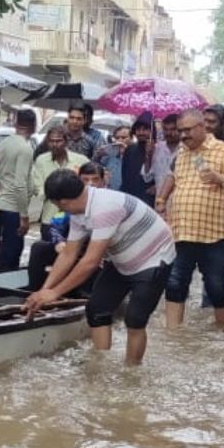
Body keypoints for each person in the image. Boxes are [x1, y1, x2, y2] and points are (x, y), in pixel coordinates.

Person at [24, 169, 176, 364]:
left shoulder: (105, 207)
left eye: (55, 205)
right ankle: (100, 364)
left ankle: (131, 371)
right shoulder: (80, 208)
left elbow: (90, 262)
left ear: (62, 202)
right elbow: (69, 254)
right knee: (96, 309)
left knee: (135, 319)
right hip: (121, 258)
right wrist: (44, 291)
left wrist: (55, 293)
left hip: (154, 258)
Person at [157, 108, 224, 328]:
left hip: (214, 234)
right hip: (182, 232)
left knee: (217, 287)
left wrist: (220, 178)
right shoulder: (182, 152)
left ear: (202, 127)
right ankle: (173, 334)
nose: (183, 135)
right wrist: (161, 201)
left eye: (187, 130)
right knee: (175, 283)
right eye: (180, 131)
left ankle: (222, 333)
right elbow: (173, 178)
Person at [26, 163, 103, 291]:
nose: (91, 184)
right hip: (74, 249)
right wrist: (59, 242)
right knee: (39, 248)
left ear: (103, 181)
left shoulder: (108, 203)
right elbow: (54, 225)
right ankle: (35, 290)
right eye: (86, 179)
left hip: (99, 254)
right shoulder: (72, 202)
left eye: (95, 179)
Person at [0, 108, 37, 270]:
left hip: (2, 203)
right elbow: (20, 184)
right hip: (13, 207)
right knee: (12, 252)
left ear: (15, 123)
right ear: (33, 125)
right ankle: (3, 288)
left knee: (7, 249)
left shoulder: (3, 144)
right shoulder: (25, 148)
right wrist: (24, 216)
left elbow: (0, 176)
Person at [32, 125, 89, 238]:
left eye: (58, 141)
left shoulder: (81, 160)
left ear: (66, 141)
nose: (54, 145)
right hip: (50, 218)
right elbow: (39, 189)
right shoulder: (41, 160)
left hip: (75, 219)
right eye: (51, 141)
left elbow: (88, 187)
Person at [120, 113, 157, 205]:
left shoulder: (159, 149)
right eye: (138, 129)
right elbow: (124, 175)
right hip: (131, 196)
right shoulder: (130, 149)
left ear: (152, 131)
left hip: (150, 197)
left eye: (145, 129)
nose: (141, 133)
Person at [148, 113, 181, 195]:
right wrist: (148, 156)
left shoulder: (189, 149)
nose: (169, 133)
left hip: (181, 202)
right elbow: (147, 178)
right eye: (165, 129)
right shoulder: (156, 148)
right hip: (159, 202)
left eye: (173, 129)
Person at [93, 125, 131, 191]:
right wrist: (98, 155)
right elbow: (95, 167)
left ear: (132, 138)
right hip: (109, 191)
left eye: (124, 137)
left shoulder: (136, 154)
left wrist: (125, 153)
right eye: (117, 138)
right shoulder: (109, 153)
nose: (120, 140)